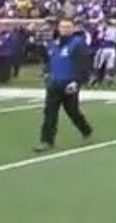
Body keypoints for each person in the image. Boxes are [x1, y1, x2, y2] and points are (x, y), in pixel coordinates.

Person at [35, 18, 95, 153]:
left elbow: (83, 64)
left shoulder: (77, 44)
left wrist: (78, 81)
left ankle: (86, 130)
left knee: (72, 111)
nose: (65, 29)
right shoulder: (55, 44)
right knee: (49, 112)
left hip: (70, 84)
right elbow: (51, 61)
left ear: (73, 29)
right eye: (62, 27)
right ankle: (47, 140)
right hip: (54, 83)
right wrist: (47, 73)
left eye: (68, 27)